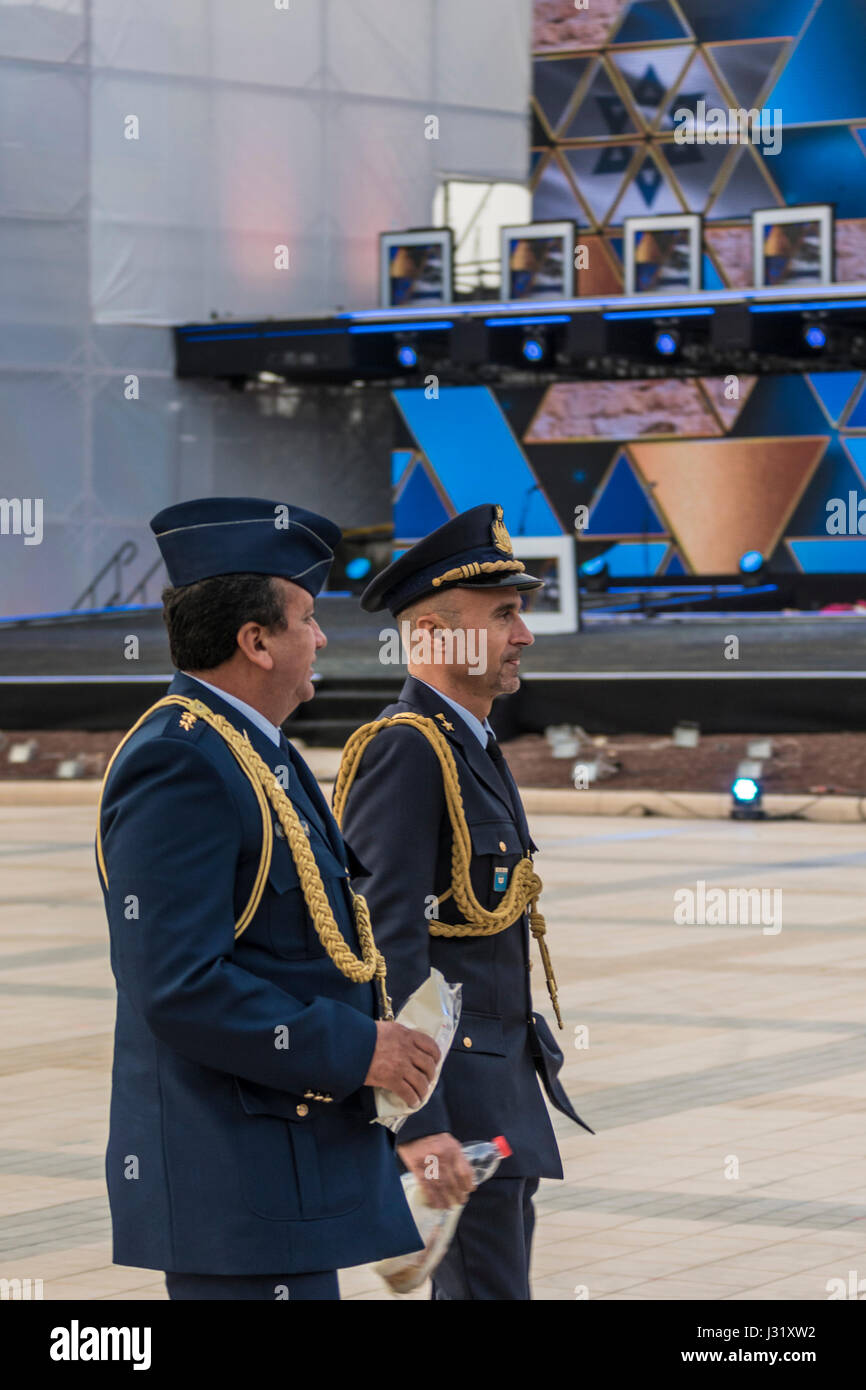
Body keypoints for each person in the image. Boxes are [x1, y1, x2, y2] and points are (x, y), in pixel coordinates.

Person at [96, 496, 439, 1301]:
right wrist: (359, 1050)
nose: (321, 639)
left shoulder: (250, 746)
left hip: (283, 1167)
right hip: (234, 1180)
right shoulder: (181, 762)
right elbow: (177, 984)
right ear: (254, 641)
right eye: (308, 619)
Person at [336, 502, 593, 1301]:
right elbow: (385, 945)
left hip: (499, 1092)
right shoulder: (409, 750)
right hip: (457, 1110)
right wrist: (419, 1125)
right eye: (506, 615)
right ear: (438, 636)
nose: (525, 634)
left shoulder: (467, 742)